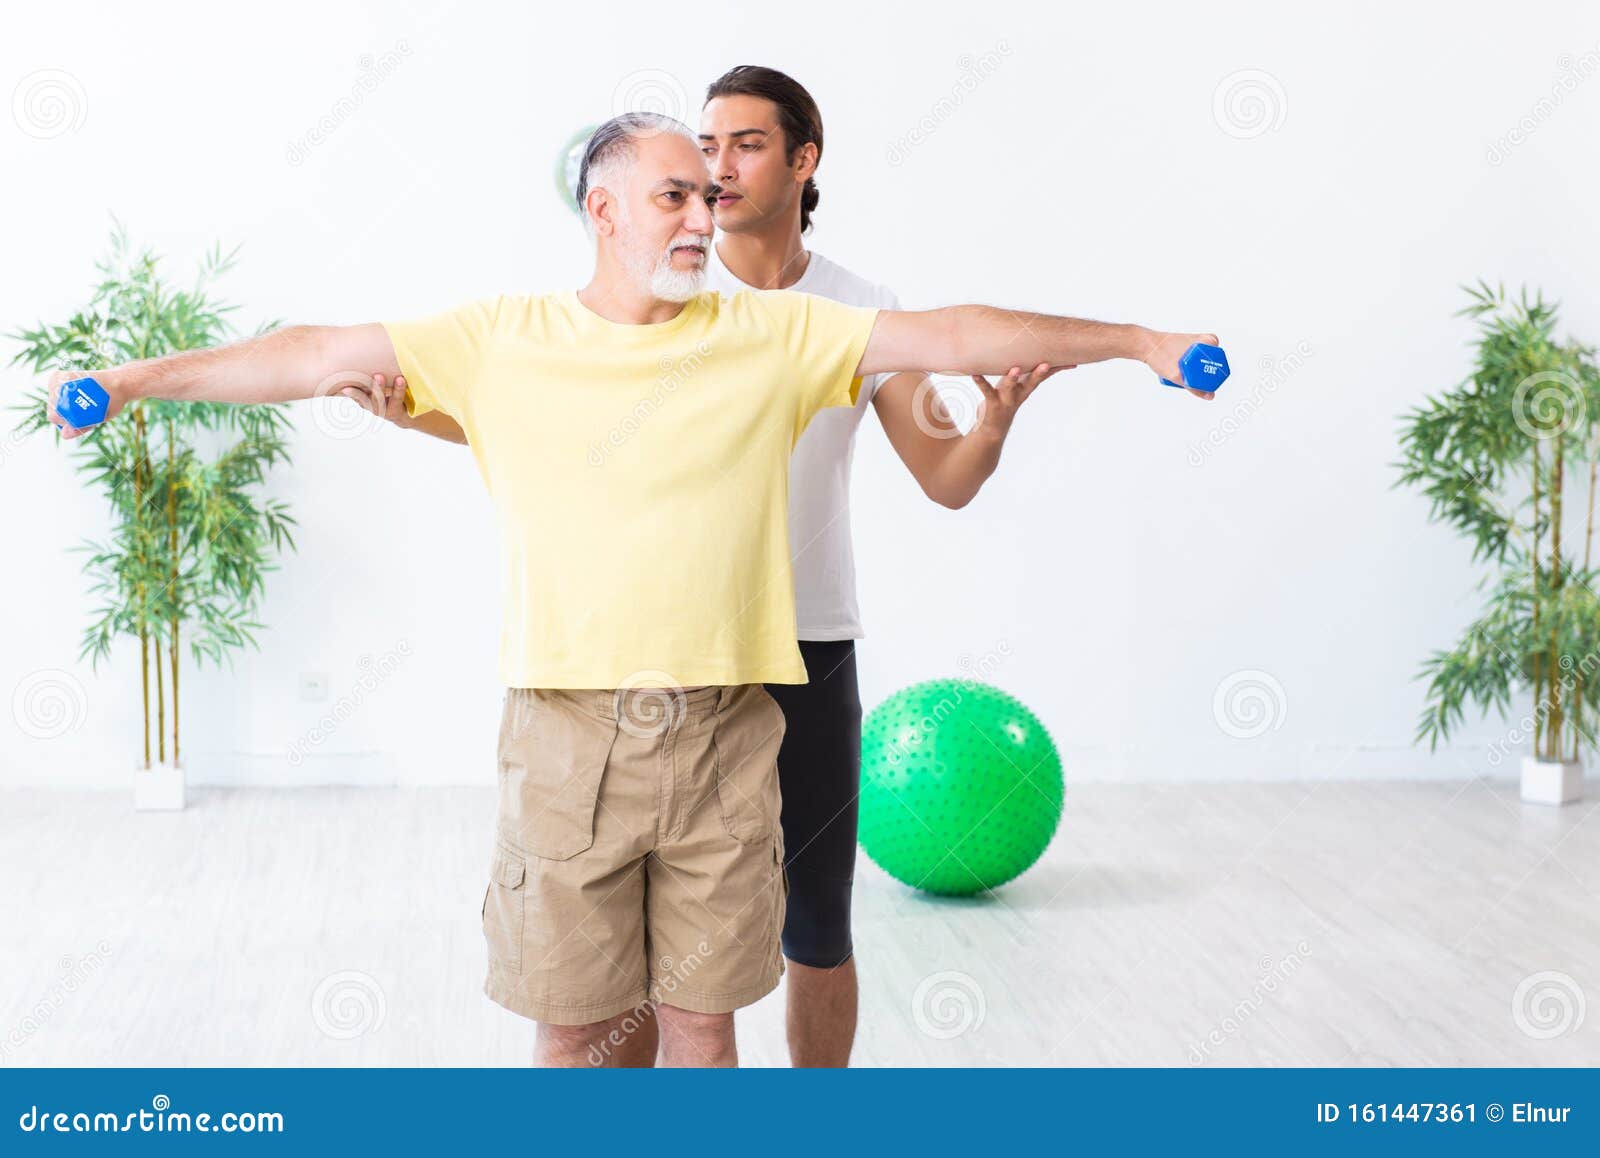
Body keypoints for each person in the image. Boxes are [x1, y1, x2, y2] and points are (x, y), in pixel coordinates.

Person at [45, 111, 1219, 1069]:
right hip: (568, 740)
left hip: (723, 735)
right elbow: (308, 353)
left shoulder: (773, 334)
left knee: (705, 1024)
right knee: (577, 1027)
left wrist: (1135, 341)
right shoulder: (502, 337)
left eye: (708, 195)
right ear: (601, 211)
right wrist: (130, 380)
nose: (703, 215)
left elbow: (952, 331)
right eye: (674, 194)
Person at [342, 65, 1068, 1068]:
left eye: (744, 146)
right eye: (703, 151)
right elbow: (559, 439)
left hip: (802, 641)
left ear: (803, 161)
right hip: (670, 655)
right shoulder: (671, 281)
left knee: (812, 926)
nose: (715, 174)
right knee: (624, 980)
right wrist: (416, 406)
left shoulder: (855, 310)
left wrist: (988, 425)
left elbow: (944, 480)